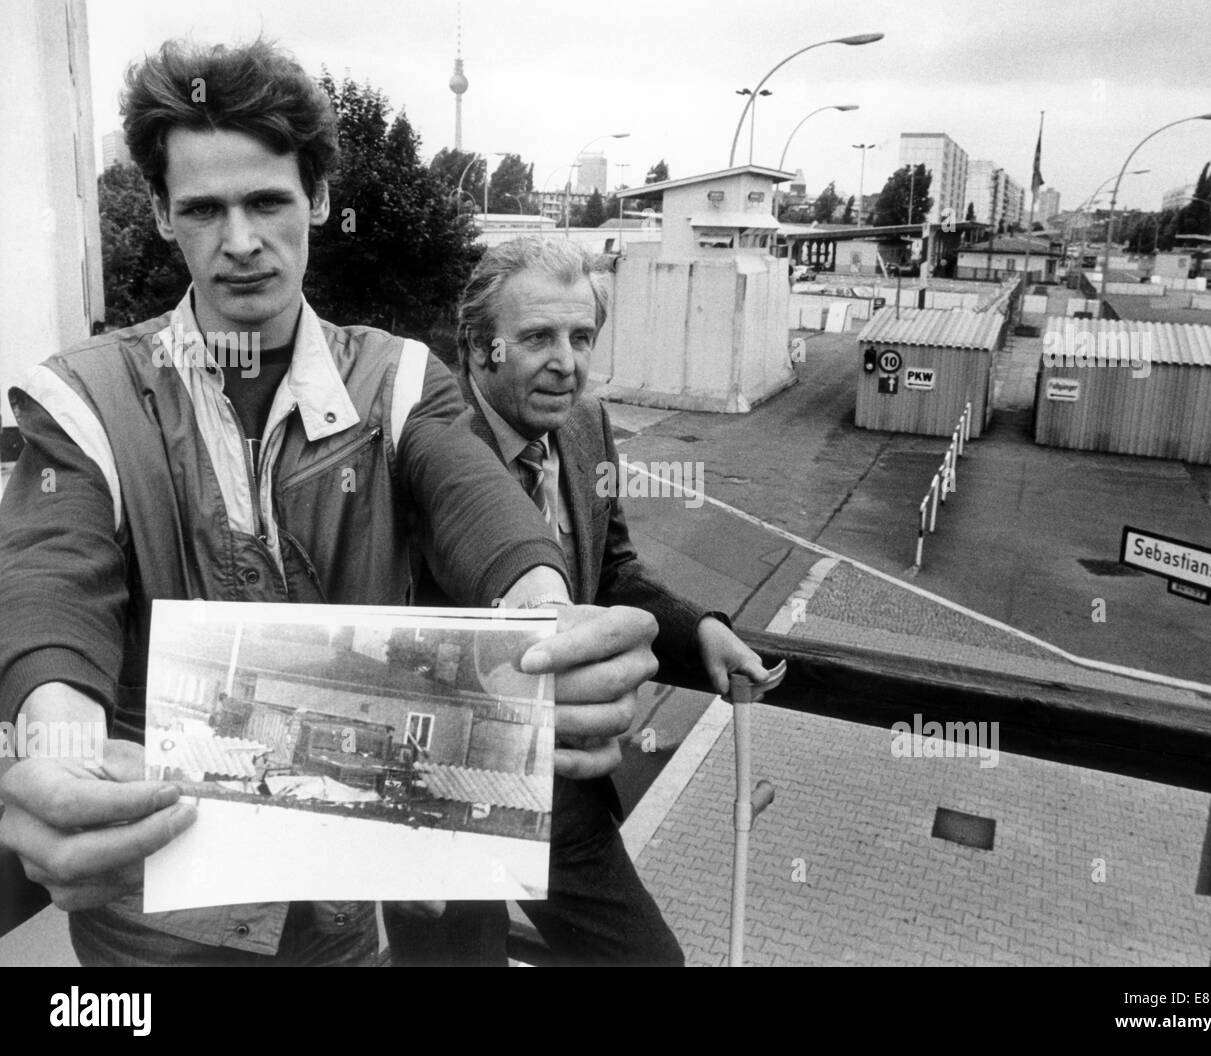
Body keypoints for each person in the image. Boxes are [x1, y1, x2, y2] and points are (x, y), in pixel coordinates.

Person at [0, 40, 656, 966]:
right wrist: (50, 751)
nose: (239, 242)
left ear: (315, 198)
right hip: (150, 930)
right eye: (203, 209)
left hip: (344, 924)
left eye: (267, 201)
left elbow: (477, 502)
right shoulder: (85, 397)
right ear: (157, 212)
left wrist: (548, 625)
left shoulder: (398, 379)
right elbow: (51, 582)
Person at [382, 237, 774, 966]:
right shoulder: (424, 445)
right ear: (477, 346)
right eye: (537, 338)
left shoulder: (586, 426)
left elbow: (612, 568)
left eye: (581, 336)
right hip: (443, 801)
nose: (567, 361)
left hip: (563, 796)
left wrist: (701, 633)